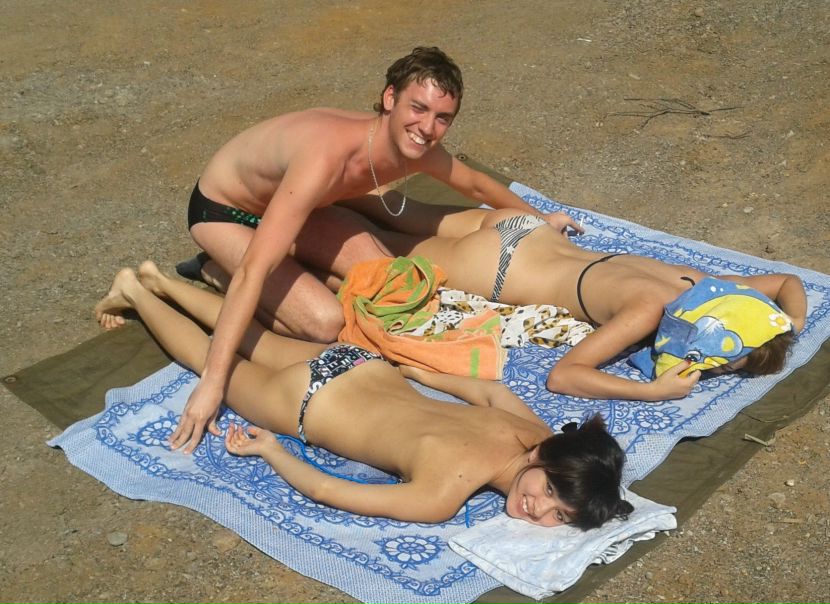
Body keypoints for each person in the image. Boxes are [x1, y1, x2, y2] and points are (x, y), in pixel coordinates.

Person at [171, 46, 581, 454]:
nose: (427, 128)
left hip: (295, 206)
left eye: (442, 118)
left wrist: (541, 219)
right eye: (418, 108)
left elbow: (474, 184)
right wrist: (212, 383)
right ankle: (215, 268)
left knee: (389, 278)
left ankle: (288, 267)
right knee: (323, 321)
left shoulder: (414, 147)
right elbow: (255, 271)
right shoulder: (326, 156)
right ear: (389, 98)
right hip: (227, 213)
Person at [94, 262, 632, 528]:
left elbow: (490, 391)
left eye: (559, 516)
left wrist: (417, 374)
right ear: (544, 460)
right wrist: (274, 450)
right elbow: (327, 491)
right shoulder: (441, 497)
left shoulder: (534, 433)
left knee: (254, 339)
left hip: (362, 367)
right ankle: (138, 291)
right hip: (307, 404)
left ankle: (160, 280)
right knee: (211, 361)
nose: (538, 508)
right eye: (550, 492)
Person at [295, 195, 807, 402]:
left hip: (528, 229)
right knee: (368, 251)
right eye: (717, 363)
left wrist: (793, 325)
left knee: (388, 206)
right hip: (497, 268)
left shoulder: (697, 282)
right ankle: (275, 220)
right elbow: (564, 375)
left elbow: (787, 283)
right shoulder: (648, 311)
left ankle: (308, 188)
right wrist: (653, 392)